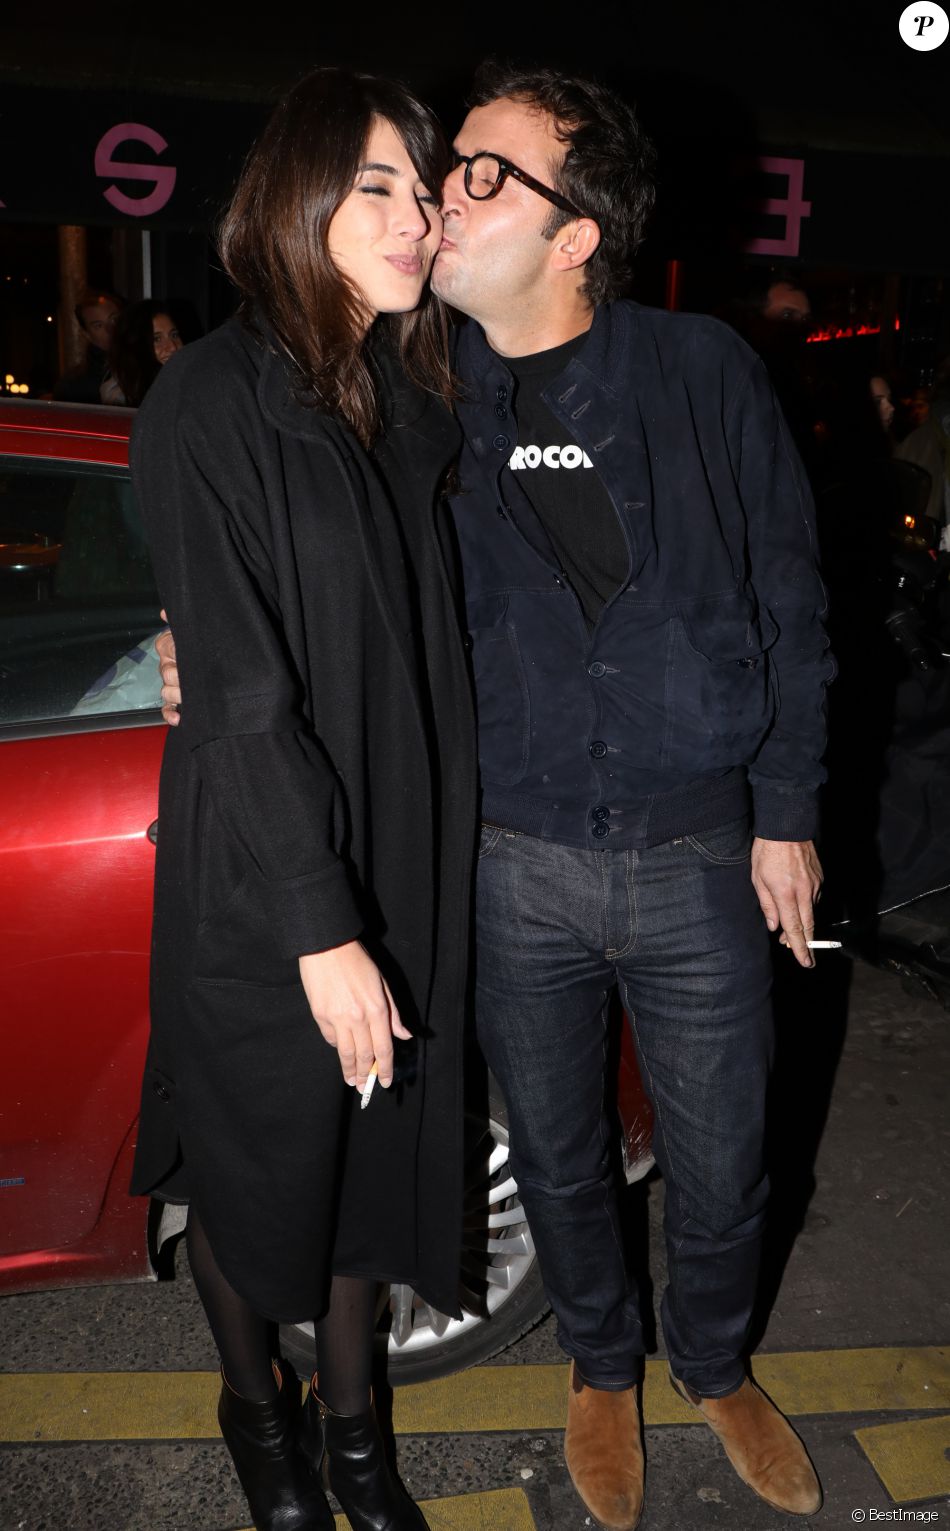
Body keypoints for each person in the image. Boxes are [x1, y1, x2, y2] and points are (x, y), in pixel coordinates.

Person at [162, 63, 834, 1531]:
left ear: (574, 230)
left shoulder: (696, 370)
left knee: (724, 1156)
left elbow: (788, 589)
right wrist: (194, 639)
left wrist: (784, 806)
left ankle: (713, 1363)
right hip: (507, 856)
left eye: (476, 173)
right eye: (426, 170)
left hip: (691, 844)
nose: (440, 197)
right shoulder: (418, 390)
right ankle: (601, 1364)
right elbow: (294, 577)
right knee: (556, 1154)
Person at [134, 67, 475, 1531]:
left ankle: (352, 1440)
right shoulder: (208, 398)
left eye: (424, 187)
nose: (413, 217)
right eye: (379, 185)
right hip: (266, 866)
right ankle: (253, 1416)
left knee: (370, 1172)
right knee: (257, 1166)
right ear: (299, 197)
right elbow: (244, 688)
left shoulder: (412, 393)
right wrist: (318, 927)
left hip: (395, 849)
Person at [99, 299, 187, 405]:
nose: (172, 347)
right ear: (136, 346)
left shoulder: (193, 380)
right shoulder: (120, 398)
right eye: (157, 339)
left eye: (174, 335)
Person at [53, 289, 123, 403]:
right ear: (87, 334)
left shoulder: (147, 366)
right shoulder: (72, 387)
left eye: (114, 319)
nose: (110, 329)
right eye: (99, 325)